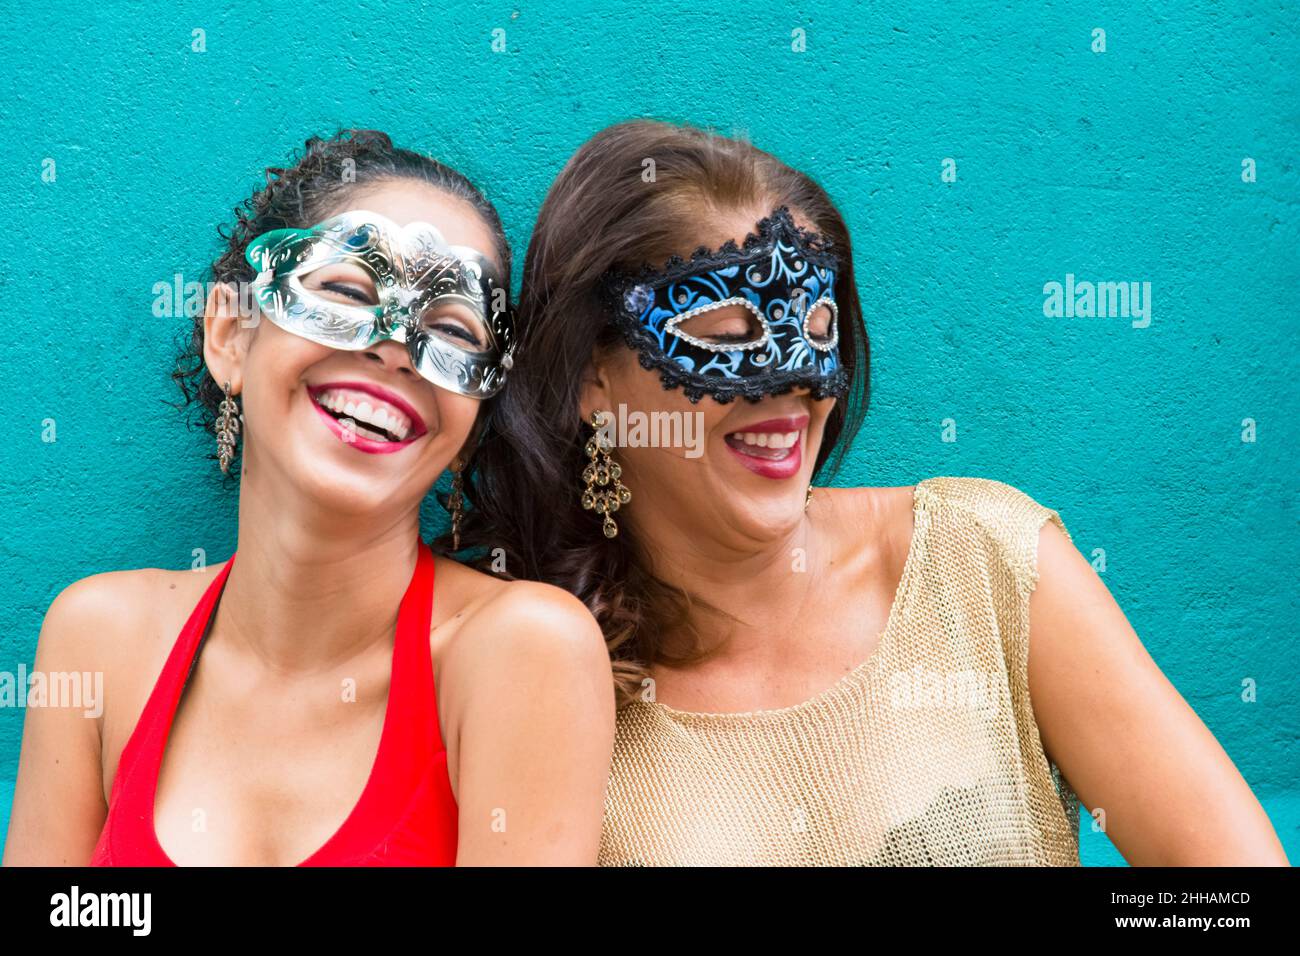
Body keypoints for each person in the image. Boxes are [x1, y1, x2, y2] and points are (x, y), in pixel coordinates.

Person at [467, 118, 1290, 866]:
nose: (793, 386)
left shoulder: (982, 561)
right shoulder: (543, 679)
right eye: (726, 339)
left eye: (818, 332)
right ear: (591, 382)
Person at [3, 130, 615, 867]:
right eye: (349, 291)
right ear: (231, 335)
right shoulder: (97, 641)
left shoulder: (518, 651)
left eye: (453, 328)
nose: (395, 348)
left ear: (474, 418)